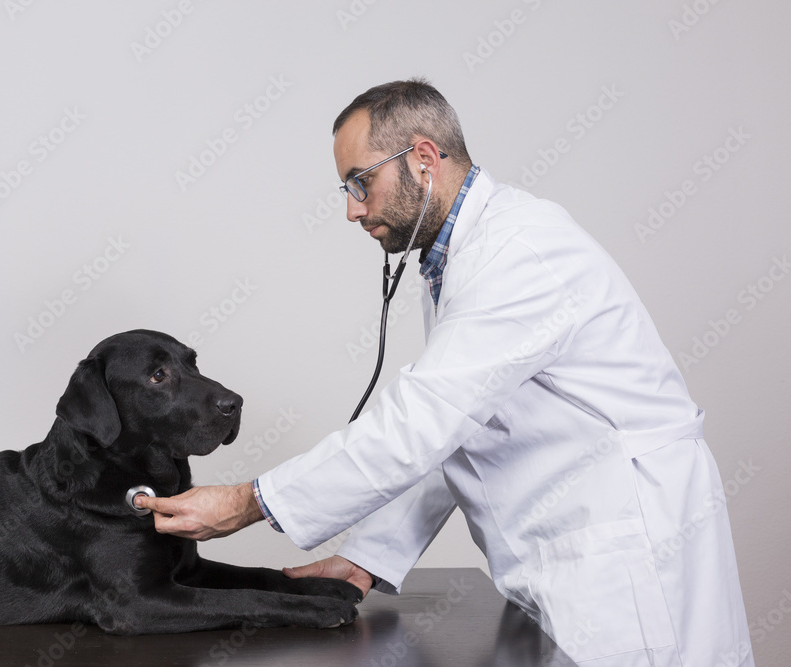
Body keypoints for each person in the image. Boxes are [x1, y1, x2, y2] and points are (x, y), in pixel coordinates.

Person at [137, 78, 755, 666]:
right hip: (576, 554)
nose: (352, 211)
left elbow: (421, 426)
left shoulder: (520, 253)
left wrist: (248, 502)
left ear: (424, 157)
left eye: (360, 182)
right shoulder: (459, 264)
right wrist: (367, 559)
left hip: (630, 556)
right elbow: (461, 432)